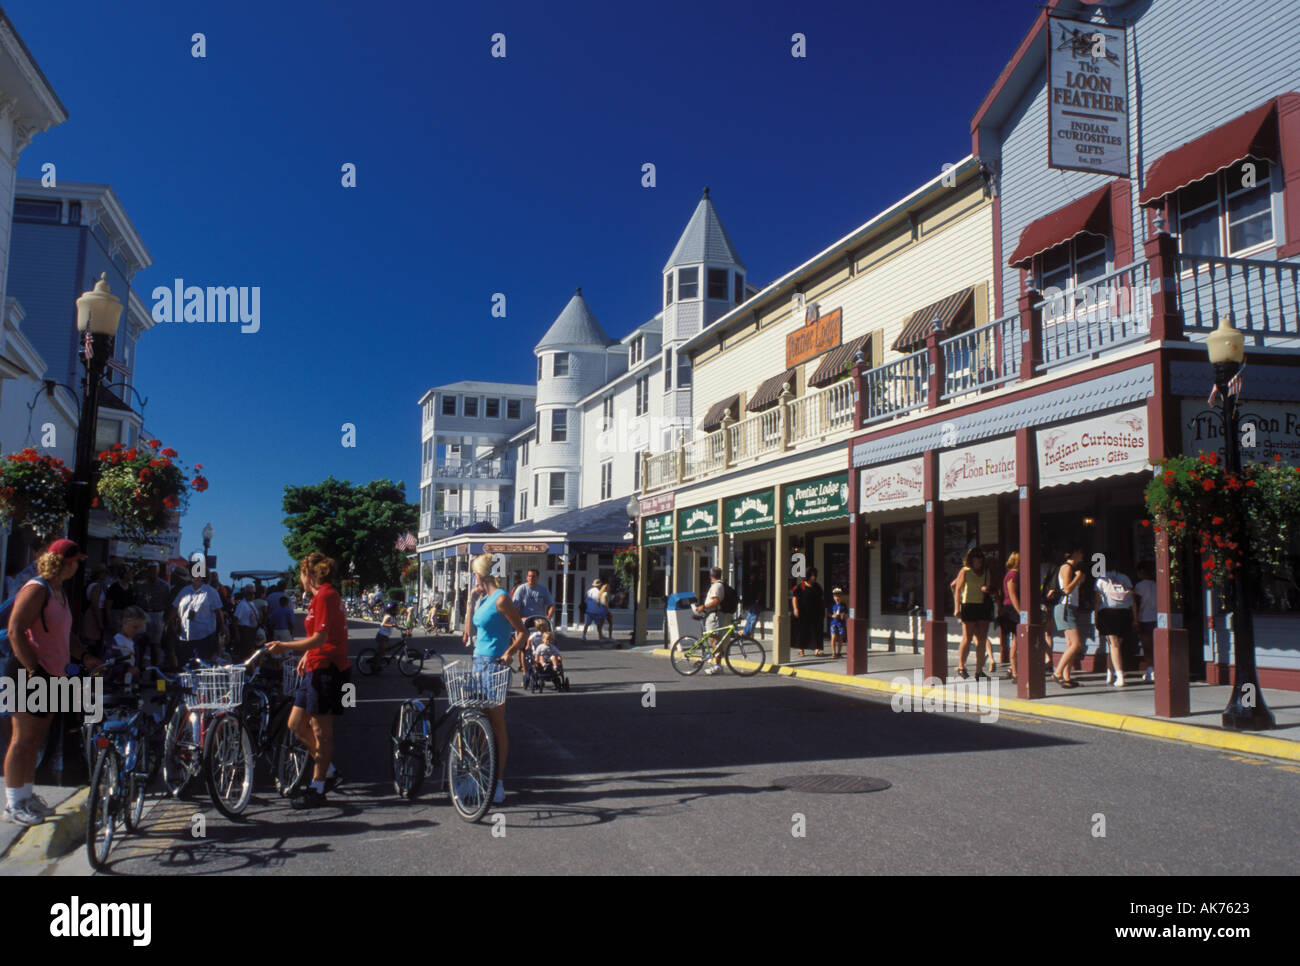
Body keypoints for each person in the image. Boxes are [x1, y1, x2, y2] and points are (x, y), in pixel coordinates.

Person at [3, 540, 100, 826]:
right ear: (63, 562)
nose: (78, 565)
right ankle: (12, 804)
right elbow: (15, 630)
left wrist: (84, 655)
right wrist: (33, 669)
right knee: (21, 740)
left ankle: (25, 796)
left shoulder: (59, 592)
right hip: (29, 673)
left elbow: (65, 635)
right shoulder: (37, 589)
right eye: (75, 560)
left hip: (52, 675)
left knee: (36, 741)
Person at [266, 552, 351, 809]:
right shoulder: (318, 598)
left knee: (321, 732)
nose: (299, 579)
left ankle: (318, 786)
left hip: (328, 670)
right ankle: (329, 770)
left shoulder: (325, 596)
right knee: (295, 724)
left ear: (309, 574)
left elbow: (321, 640)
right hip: (315, 665)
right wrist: (307, 654)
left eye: (301, 573)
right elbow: (319, 639)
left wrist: (284, 646)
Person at [468, 554, 528, 804]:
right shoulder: (483, 599)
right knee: (476, 723)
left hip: (495, 665)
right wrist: (470, 602)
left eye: (474, 574)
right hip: (478, 663)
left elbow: (523, 632)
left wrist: (510, 651)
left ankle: (498, 781)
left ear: (479, 575)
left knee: (496, 724)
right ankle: (478, 775)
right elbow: (469, 632)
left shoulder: (502, 599)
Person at [950, 549, 993, 679]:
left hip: (982, 606)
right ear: (971, 559)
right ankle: (961, 666)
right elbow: (957, 589)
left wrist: (987, 589)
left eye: (980, 557)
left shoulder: (986, 572)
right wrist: (956, 608)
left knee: (981, 639)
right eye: (976, 557)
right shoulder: (965, 571)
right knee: (967, 638)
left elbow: (989, 587)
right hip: (968, 605)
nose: (979, 559)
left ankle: (979, 671)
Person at [1095, 564, 1138, 688]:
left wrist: (1096, 617)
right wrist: (1135, 618)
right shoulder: (1125, 577)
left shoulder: (1101, 579)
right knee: (1115, 645)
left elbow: (1097, 601)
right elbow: (1132, 600)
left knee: (1113, 645)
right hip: (1124, 613)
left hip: (1107, 612)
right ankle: (1110, 672)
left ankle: (1120, 676)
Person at [170, 572, 227, 663]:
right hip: (185, 636)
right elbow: (175, 607)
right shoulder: (184, 591)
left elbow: (218, 611)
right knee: (185, 665)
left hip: (204, 636)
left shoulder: (211, 592)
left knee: (201, 665)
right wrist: (170, 622)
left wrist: (222, 626)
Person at [1051, 547, 1087, 688]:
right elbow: (1066, 589)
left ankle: (1067, 677)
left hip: (1070, 607)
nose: (1082, 555)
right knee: (1076, 644)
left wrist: (1080, 580)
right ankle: (1057, 673)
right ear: (1075, 553)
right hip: (1065, 608)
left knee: (1070, 644)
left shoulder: (1071, 568)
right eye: (1081, 552)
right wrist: (1077, 577)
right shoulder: (1067, 567)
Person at [511, 569, 555, 671]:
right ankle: (525, 672)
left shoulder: (543, 590)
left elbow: (551, 604)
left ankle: (541, 667)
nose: (531, 578)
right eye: (529, 576)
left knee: (541, 646)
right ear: (526, 577)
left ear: (537, 577)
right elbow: (514, 607)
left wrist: (548, 616)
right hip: (525, 622)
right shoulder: (521, 589)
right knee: (524, 649)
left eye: (534, 576)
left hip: (539, 622)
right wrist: (520, 618)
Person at [134, 562, 171, 670]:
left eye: (155, 570)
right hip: (143, 613)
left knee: (155, 645)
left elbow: (168, 603)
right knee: (141, 643)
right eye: (151, 570)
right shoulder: (140, 584)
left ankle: (155, 672)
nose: (153, 573)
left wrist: (166, 620)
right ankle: (139, 670)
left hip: (158, 614)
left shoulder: (164, 585)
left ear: (158, 571)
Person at [693, 567, 727, 674]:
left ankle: (717, 666)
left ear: (711, 576)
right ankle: (717, 664)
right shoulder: (719, 585)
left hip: (713, 615)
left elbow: (716, 601)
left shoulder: (717, 586)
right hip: (712, 615)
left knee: (714, 640)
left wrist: (703, 607)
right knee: (714, 640)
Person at [1133, 561, 1157, 683]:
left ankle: (1150, 670)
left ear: (1142, 572)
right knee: (1155, 646)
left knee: (1147, 647)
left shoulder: (1140, 586)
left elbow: (1136, 603)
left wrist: (1135, 619)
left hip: (1144, 618)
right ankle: (1156, 669)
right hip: (1156, 618)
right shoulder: (1156, 584)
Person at [1002, 552, 1022, 681]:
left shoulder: (1014, 574)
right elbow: (1013, 595)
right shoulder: (1013, 574)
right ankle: (1015, 672)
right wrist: (1020, 612)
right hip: (1012, 609)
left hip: (1012, 608)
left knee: (1017, 640)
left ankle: (1013, 668)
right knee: (1016, 641)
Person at [82, 563, 108, 657]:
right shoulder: (96, 586)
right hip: (94, 615)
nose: (105, 575)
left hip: (94, 614)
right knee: (93, 643)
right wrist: (100, 622)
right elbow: (95, 604)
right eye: (104, 573)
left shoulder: (94, 585)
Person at [104, 566, 135, 638]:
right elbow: (108, 605)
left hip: (127, 616)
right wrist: (109, 619)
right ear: (125, 574)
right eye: (131, 573)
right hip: (116, 615)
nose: (133, 575)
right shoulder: (114, 587)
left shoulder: (131, 588)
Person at [233, 586, 261, 659]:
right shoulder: (242, 604)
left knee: (252, 652)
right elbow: (235, 619)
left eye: (253, 593)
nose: (252, 595)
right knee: (247, 654)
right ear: (245, 594)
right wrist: (237, 633)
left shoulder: (251, 603)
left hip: (251, 631)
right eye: (250, 593)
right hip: (245, 631)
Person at [828, 588, 848, 659]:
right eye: (835, 596)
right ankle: (833, 652)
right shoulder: (831, 605)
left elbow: (846, 614)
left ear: (841, 597)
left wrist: (843, 615)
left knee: (840, 638)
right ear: (833, 597)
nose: (837, 598)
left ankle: (839, 653)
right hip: (833, 623)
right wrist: (832, 615)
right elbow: (829, 614)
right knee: (833, 637)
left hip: (841, 623)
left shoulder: (844, 605)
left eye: (839, 596)